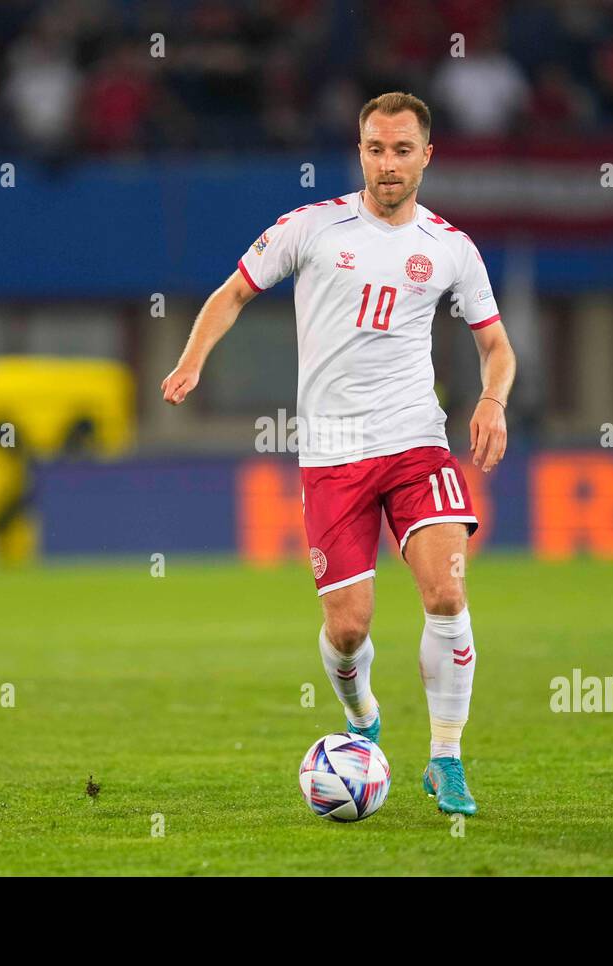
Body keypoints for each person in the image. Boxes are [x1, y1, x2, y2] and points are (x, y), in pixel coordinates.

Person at [160, 92, 515, 816]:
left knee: (447, 593)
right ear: (360, 152)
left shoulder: (450, 247)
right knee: (348, 628)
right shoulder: (311, 228)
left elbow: (496, 346)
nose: (388, 164)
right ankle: (362, 722)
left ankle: (445, 758)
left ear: (427, 155)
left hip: (417, 443)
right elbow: (232, 293)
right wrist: (194, 359)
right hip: (333, 454)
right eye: (376, 149)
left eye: (402, 150)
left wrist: (491, 400)